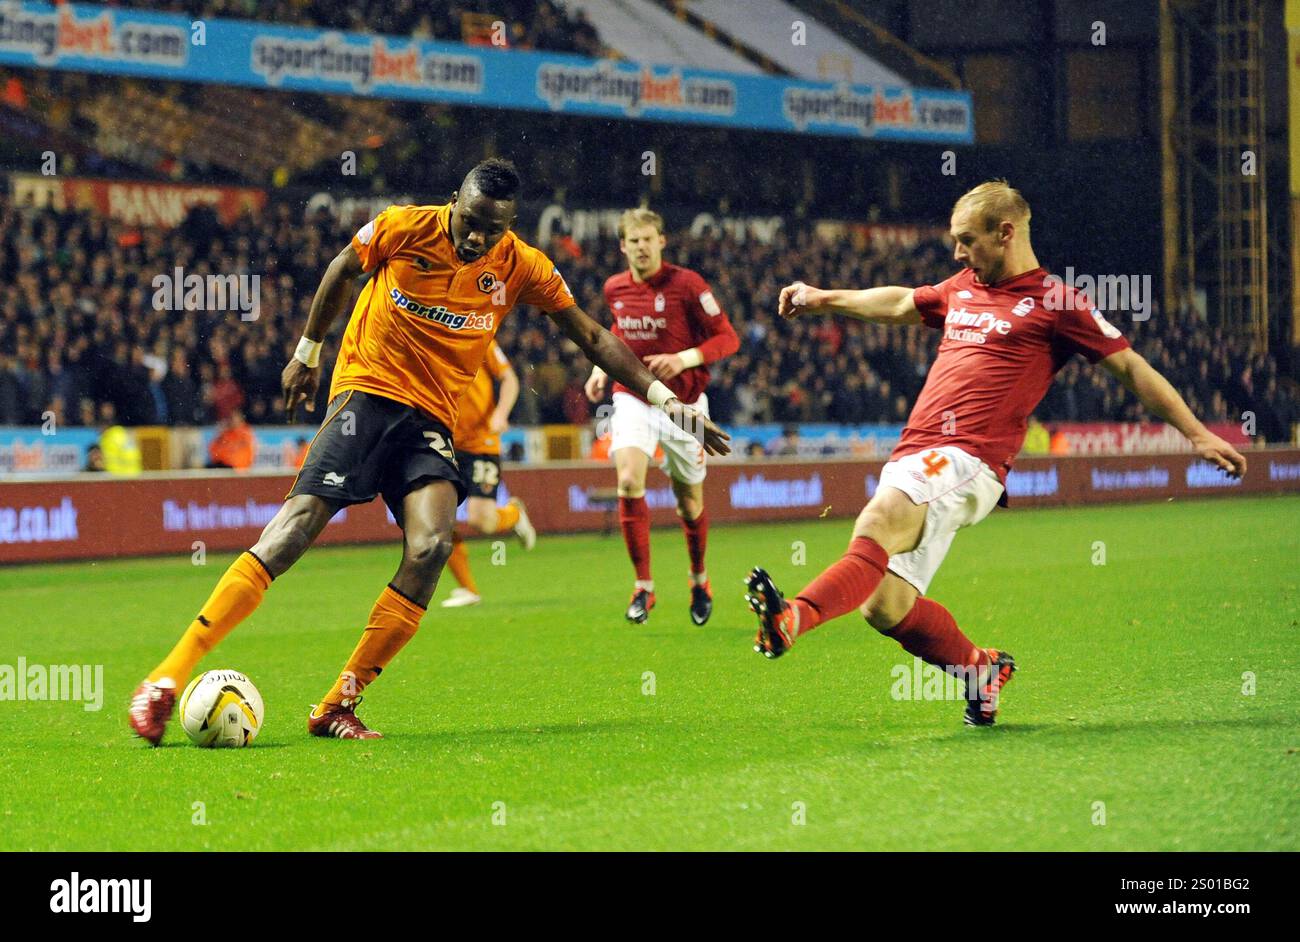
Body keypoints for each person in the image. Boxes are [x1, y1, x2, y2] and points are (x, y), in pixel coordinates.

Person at [129, 159, 729, 744]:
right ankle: (164, 678)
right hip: (368, 392)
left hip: (432, 418)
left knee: (432, 544)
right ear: (454, 203)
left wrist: (665, 400)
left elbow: (595, 336)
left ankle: (339, 701)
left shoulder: (522, 266)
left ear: (510, 227)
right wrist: (307, 351)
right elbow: (342, 268)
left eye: (494, 229)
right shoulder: (403, 227)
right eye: (470, 221)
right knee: (296, 529)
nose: (477, 238)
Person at [746, 180, 1246, 727]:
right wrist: (824, 299)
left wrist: (1196, 433)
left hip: (970, 459)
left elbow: (1130, 367)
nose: (958, 253)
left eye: (967, 240)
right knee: (883, 605)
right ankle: (980, 671)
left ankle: (794, 616)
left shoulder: (1057, 302)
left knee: (879, 519)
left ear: (1005, 234)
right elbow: (899, 301)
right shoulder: (963, 286)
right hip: (918, 452)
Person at [584, 208, 739, 625]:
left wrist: (683, 358)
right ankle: (644, 588)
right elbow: (619, 332)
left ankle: (699, 579)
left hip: (685, 405)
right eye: (633, 240)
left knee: (689, 504)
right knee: (629, 478)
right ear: (623, 245)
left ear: (661, 241)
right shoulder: (614, 287)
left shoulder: (688, 285)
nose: (641, 246)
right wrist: (601, 368)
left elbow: (728, 338)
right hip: (633, 397)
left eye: (648, 239)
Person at [441, 340, 535, 608]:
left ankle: (514, 514)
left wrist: (501, 414)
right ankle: (468, 589)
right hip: (442, 442)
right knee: (438, 520)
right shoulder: (426, 338)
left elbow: (509, 379)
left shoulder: (478, 335)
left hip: (481, 441)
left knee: (482, 521)